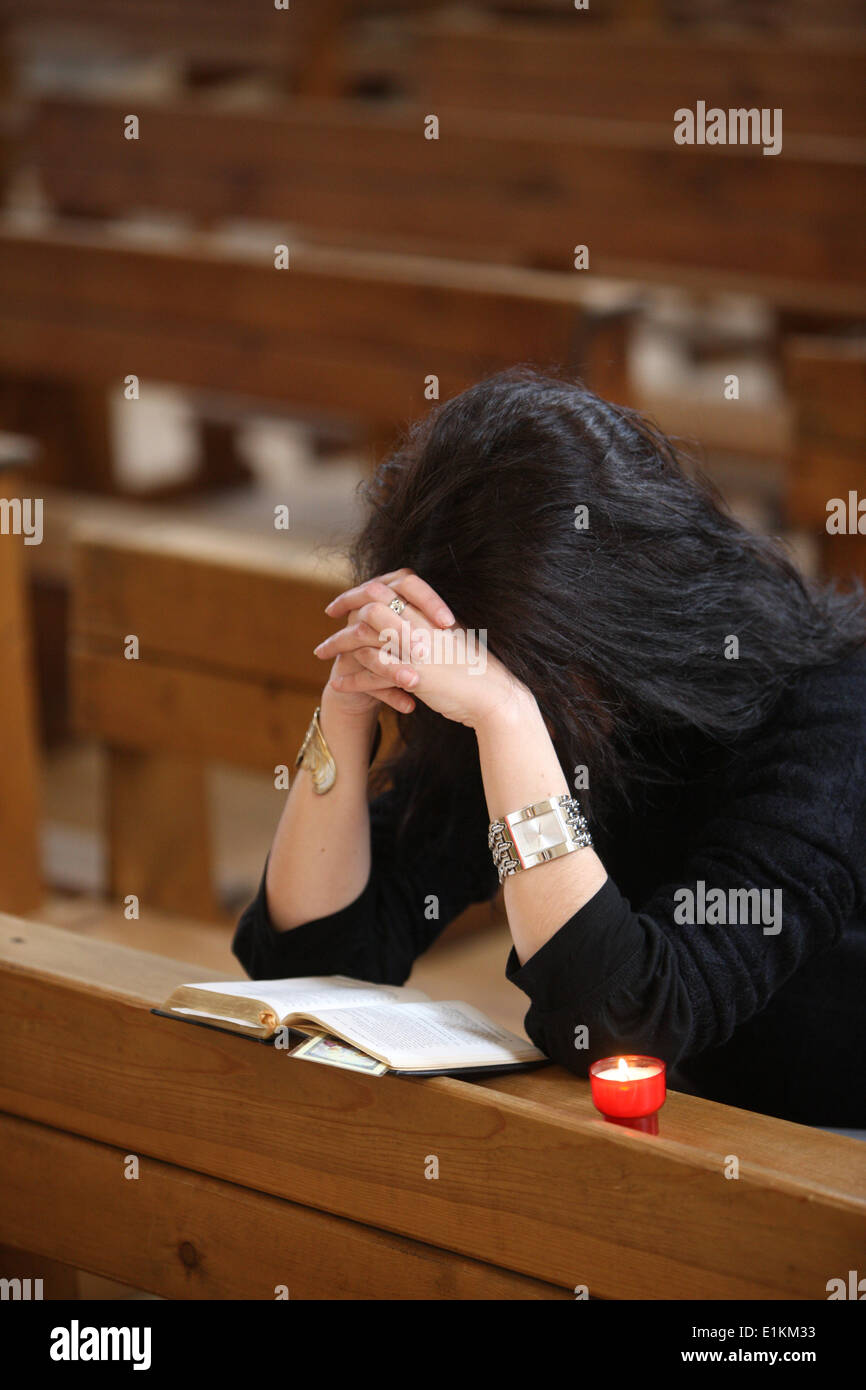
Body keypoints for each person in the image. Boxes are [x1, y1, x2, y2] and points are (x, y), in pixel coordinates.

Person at [233, 369, 866, 1126]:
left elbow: (624, 1024)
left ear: (617, 616)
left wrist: (506, 717)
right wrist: (346, 709)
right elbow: (310, 968)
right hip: (681, 1137)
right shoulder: (538, 685)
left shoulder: (832, 718)